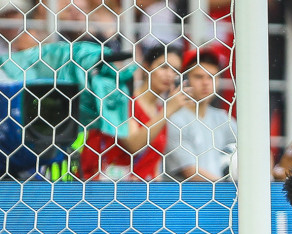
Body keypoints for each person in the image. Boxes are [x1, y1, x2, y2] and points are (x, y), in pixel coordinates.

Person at [79, 44, 186, 181]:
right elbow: (133, 144)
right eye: (164, 67)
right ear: (147, 66)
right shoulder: (121, 101)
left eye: (175, 70)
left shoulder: (159, 111)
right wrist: (168, 110)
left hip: (139, 193)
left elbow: (153, 164)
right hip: (101, 188)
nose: (170, 75)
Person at [164, 47, 237, 181]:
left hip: (222, 196)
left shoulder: (222, 118)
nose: (206, 83)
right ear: (184, 80)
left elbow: (253, 147)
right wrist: (233, 190)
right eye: (199, 77)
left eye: (212, 77)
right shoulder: (173, 119)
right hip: (189, 197)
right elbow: (190, 171)